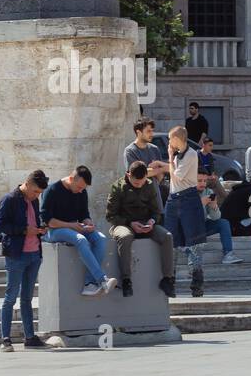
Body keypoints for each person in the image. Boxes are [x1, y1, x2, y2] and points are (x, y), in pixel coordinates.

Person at [40, 165, 116, 297]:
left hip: (74, 228)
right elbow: (48, 221)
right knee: (80, 239)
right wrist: (71, 225)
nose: (81, 191)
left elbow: (84, 214)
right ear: (71, 179)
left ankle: (89, 284)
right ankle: (102, 279)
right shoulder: (52, 190)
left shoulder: (81, 192)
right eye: (79, 187)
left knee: (101, 238)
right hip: (54, 231)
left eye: (84, 188)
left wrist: (88, 222)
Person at [105, 161, 175, 297]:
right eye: (136, 183)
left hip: (146, 224)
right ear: (128, 175)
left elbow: (157, 212)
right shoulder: (117, 187)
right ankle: (126, 280)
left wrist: (151, 221)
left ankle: (167, 279)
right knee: (125, 237)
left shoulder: (149, 185)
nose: (139, 185)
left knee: (167, 236)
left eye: (141, 182)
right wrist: (130, 223)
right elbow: (110, 216)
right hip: (123, 224)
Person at [0, 171, 49, 349]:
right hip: (16, 255)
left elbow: (34, 220)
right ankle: (5, 339)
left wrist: (41, 229)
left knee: (27, 298)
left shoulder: (33, 200)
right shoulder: (9, 199)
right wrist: (25, 231)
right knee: (10, 297)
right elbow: (0, 225)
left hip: (34, 253)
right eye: (35, 191)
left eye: (39, 193)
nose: (37, 195)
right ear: (27, 184)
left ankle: (30, 337)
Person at [163, 126, 207, 297]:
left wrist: (169, 157)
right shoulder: (179, 155)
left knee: (194, 243)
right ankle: (170, 283)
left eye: (170, 139)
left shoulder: (191, 154)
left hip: (188, 198)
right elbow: (172, 173)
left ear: (177, 138)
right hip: (174, 199)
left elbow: (177, 175)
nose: (169, 143)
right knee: (171, 241)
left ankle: (197, 284)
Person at [197, 171, 243, 264]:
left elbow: (215, 218)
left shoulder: (208, 191)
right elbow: (189, 217)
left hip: (203, 227)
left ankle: (228, 254)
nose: (203, 183)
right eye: (199, 181)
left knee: (223, 223)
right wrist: (200, 204)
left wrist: (214, 207)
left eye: (205, 181)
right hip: (190, 230)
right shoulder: (187, 194)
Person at [125, 117, 169, 204]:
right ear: (138, 132)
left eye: (152, 131)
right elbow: (138, 173)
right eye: (148, 131)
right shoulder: (130, 151)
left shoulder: (155, 149)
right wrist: (161, 169)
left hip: (156, 200)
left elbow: (160, 176)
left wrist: (156, 171)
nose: (152, 134)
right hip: (138, 201)